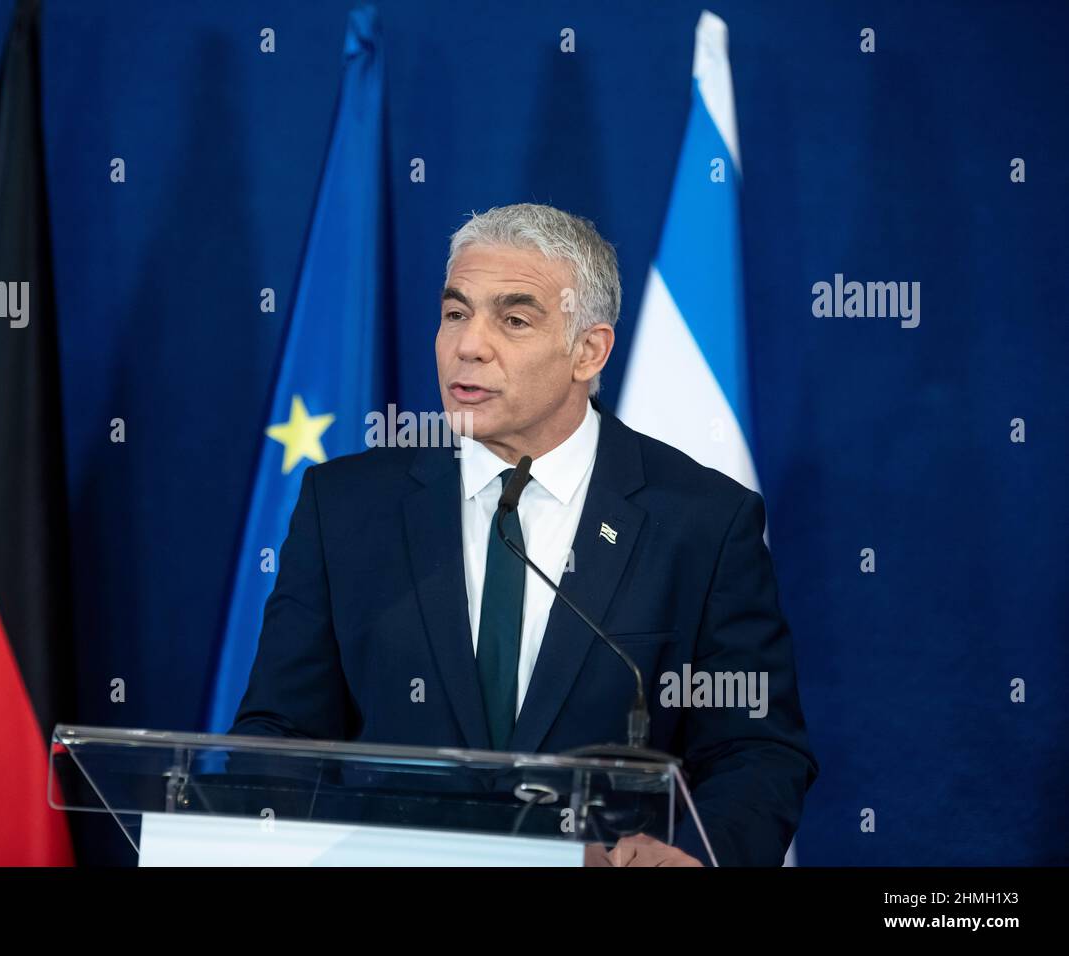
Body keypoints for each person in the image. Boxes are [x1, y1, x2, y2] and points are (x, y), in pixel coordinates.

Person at [231, 203, 817, 866]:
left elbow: (754, 748)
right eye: (456, 312)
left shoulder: (703, 521)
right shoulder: (344, 506)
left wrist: (694, 856)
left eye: (513, 319)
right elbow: (280, 737)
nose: (469, 344)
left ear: (588, 351)